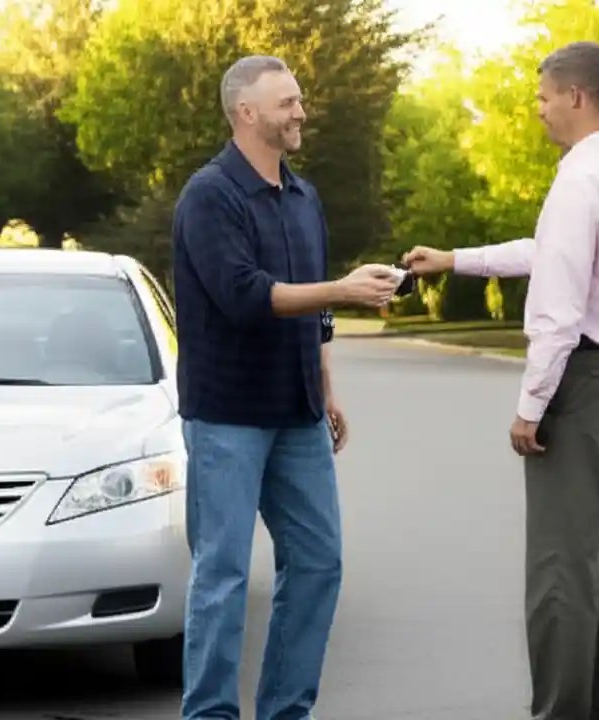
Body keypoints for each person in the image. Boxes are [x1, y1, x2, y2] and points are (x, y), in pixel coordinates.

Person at [402, 41, 599, 720]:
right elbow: (548, 251)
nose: (539, 109)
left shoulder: (582, 180)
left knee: (559, 568)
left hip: (583, 378)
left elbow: (556, 310)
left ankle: (560, 711)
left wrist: (530, 407)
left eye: (545, 96)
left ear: (577, 96)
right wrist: (455, 258)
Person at [170, 55, 399, 720]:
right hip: (228, 418)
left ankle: (284, 712)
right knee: (223, 576)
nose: (301, 113)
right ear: (247, 113)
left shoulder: (303, 198)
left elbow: (315, 316)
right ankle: (209, 713)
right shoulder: (209, 196)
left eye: (299, 100)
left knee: (320, 563)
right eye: (287, 103)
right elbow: (243, 296)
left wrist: (326, 387)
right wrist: (345, 289)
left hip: (298, 413)